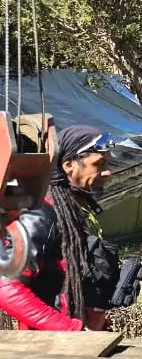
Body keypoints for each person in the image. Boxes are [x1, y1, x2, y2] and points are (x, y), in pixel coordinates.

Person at [0, 125, 115, 330]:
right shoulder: (40, 213)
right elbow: (6, 287)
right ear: (69, 165)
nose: (108, 172)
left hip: (81, 343)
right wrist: (71, 330)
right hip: (50, 349)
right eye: (100, 163)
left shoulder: (74, 209)